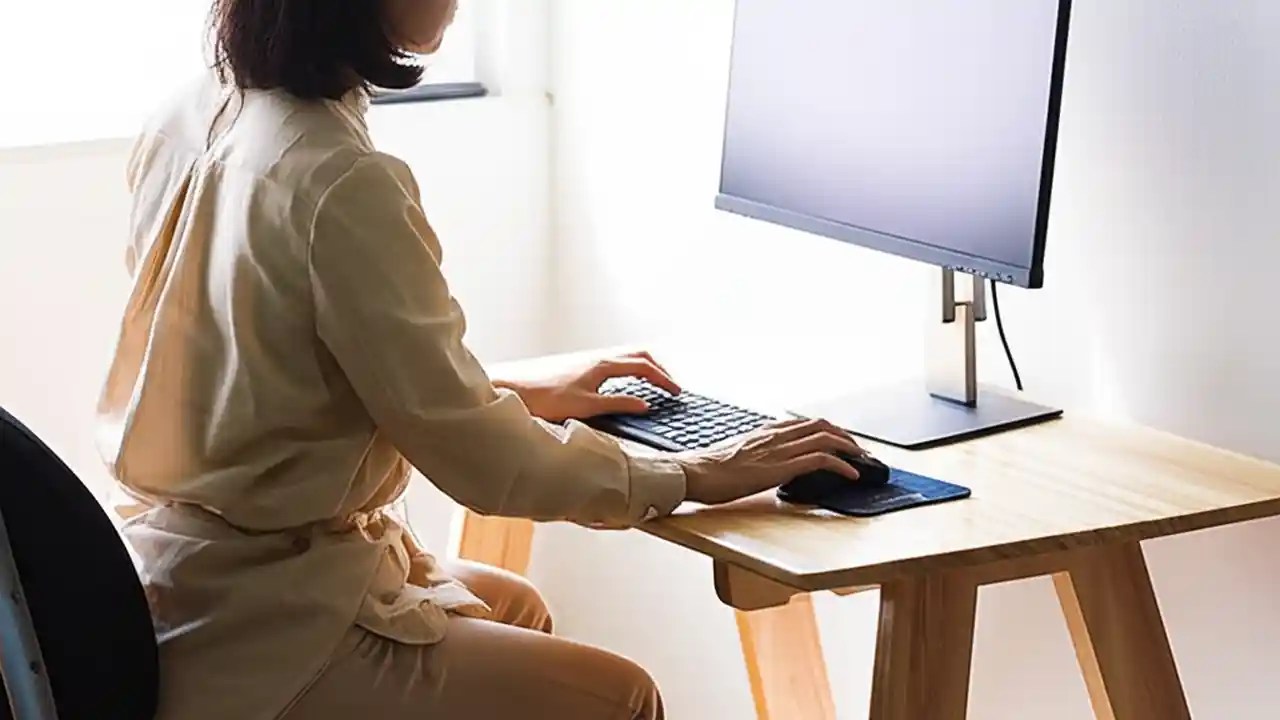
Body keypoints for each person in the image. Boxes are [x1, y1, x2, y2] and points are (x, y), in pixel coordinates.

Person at [96, 1, 866, 718]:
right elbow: (487, 469)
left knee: (516, 606)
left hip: (182, 578)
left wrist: (507, 390)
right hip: (267, 621)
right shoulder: (340, 179)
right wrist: (696, 474)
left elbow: (274, 378)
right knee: (623, 699)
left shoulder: (196, 110)